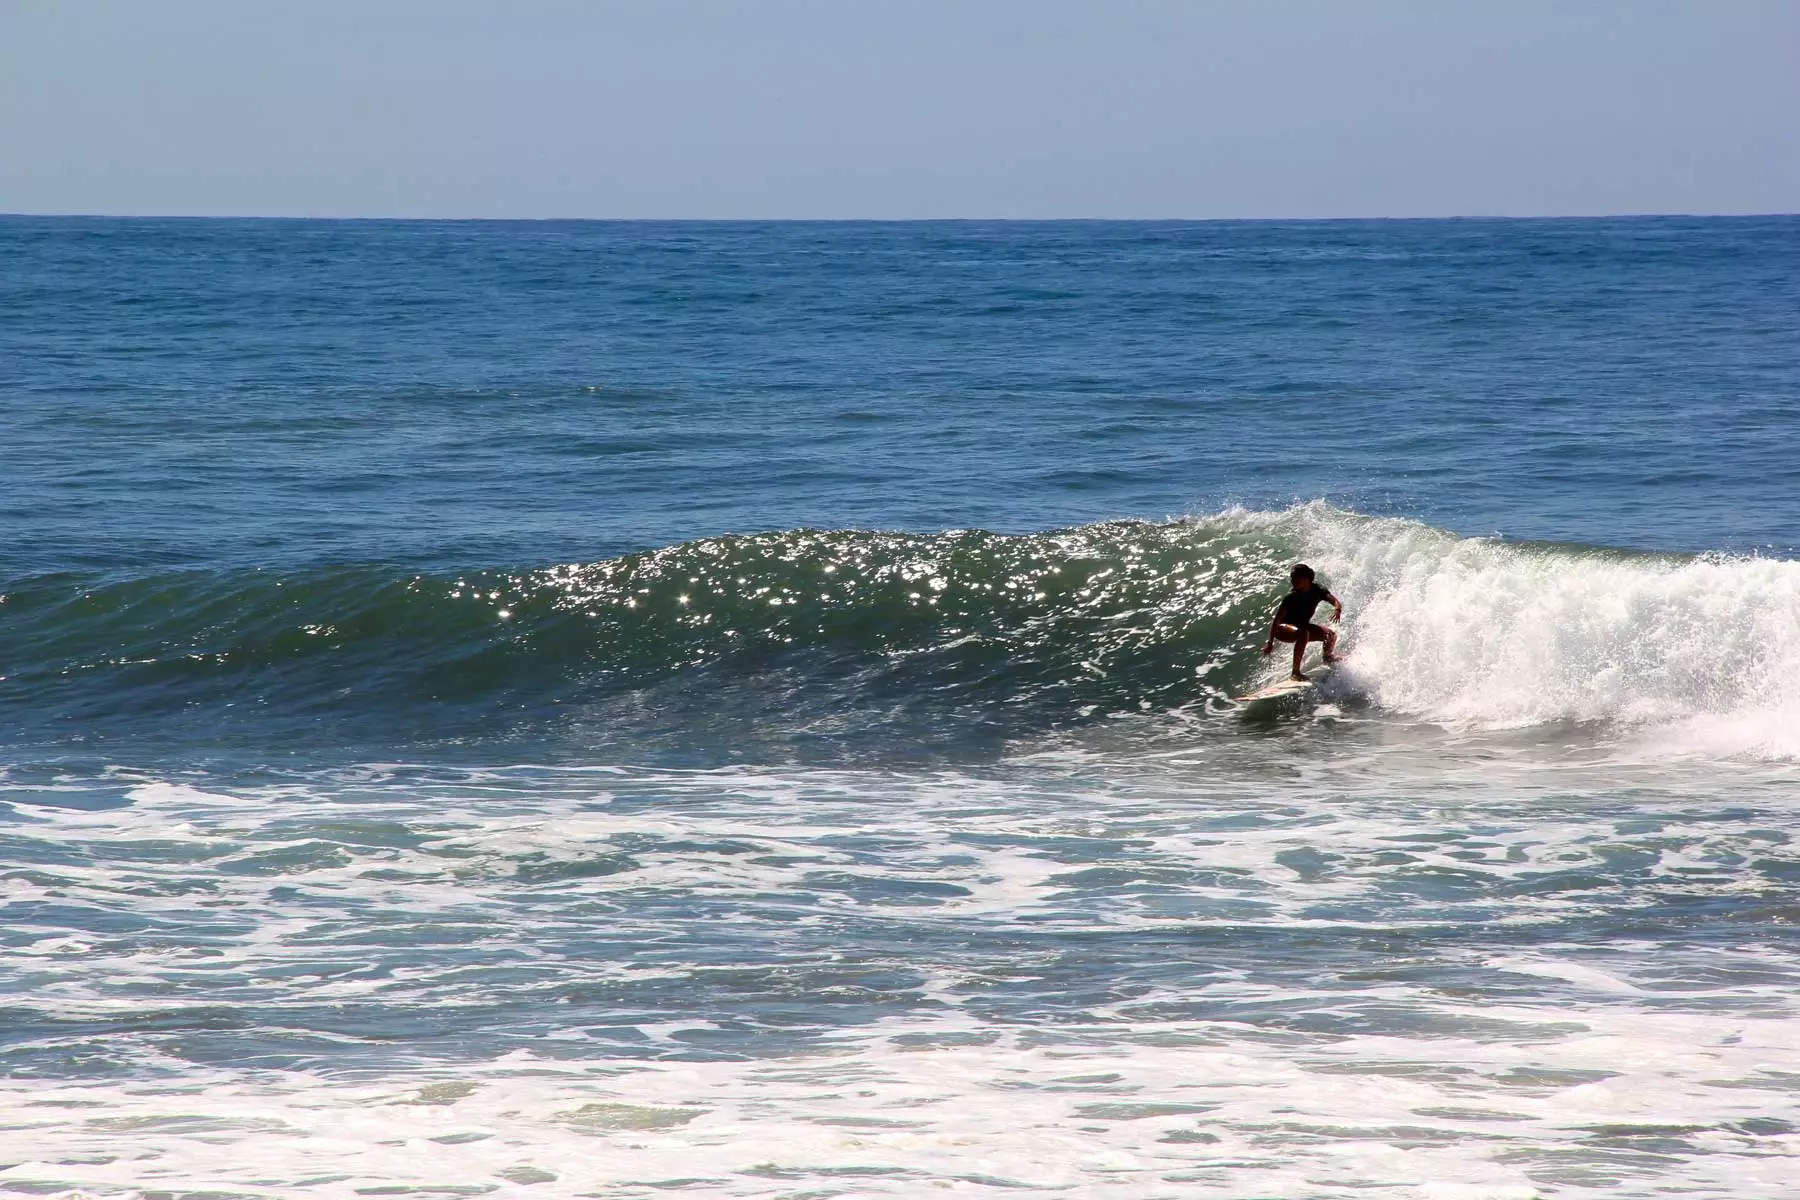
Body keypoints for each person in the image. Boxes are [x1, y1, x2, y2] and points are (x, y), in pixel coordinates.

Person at [1261, 564, 1344, 681]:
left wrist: (1337, 609)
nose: (1292, 581)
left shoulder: (1318, 590)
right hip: (1282, 629)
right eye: (1291, 578)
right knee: (1303, 633)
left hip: (1301, 626)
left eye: (1295, 577)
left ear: (1306, 578)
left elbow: (1335, 601)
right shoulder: (1292, 597)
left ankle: (1328, 657)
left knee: (1330, 635)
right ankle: (1295, 673)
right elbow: (1276, 621)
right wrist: (1270, 642)